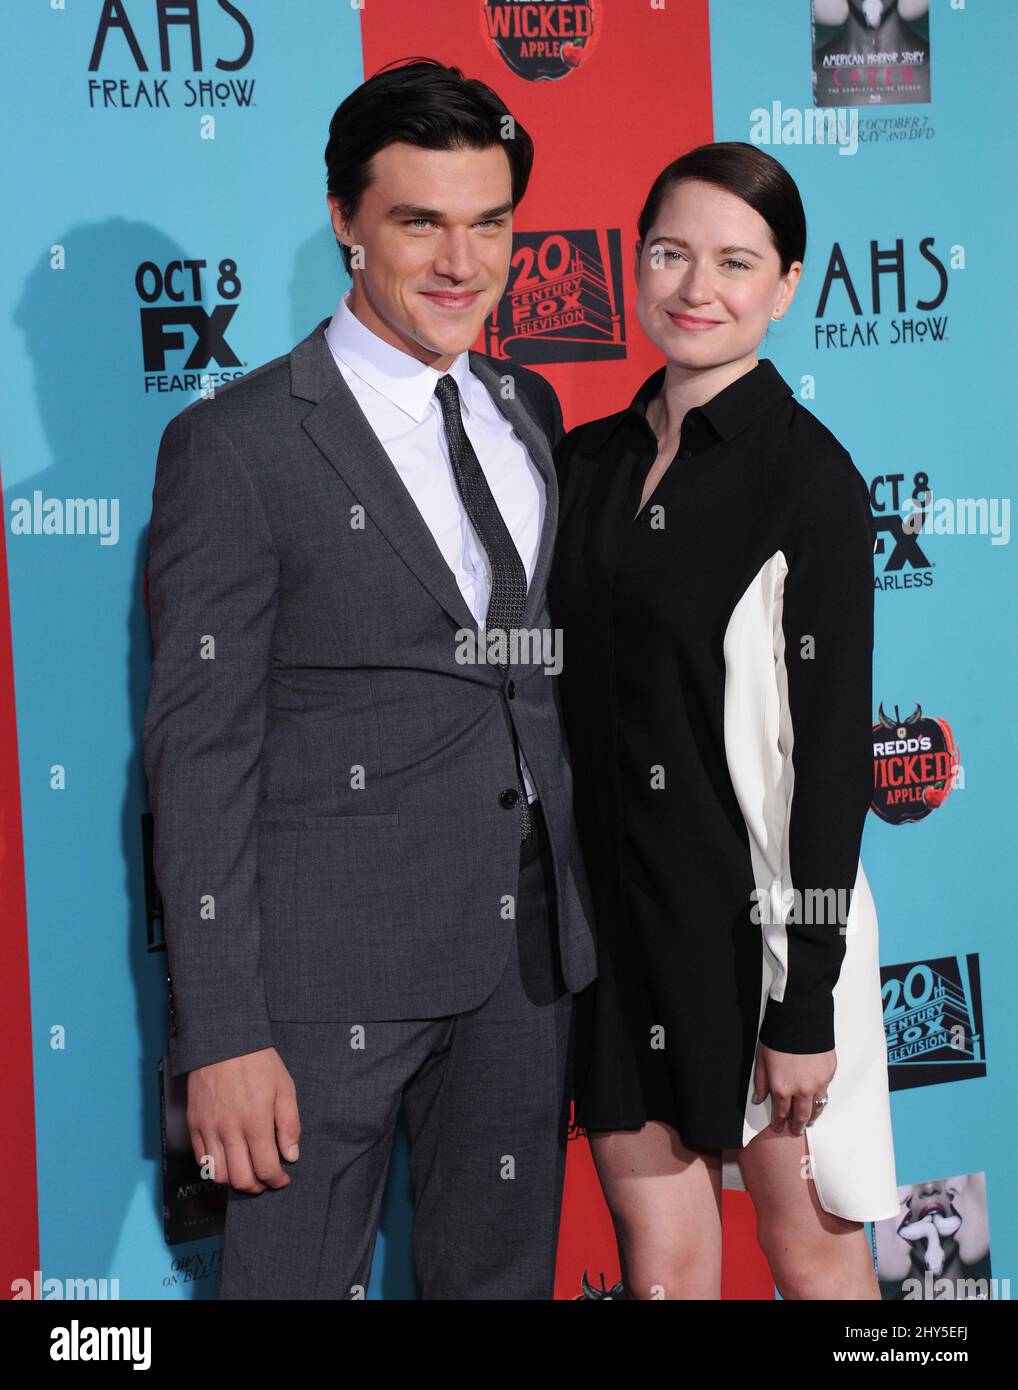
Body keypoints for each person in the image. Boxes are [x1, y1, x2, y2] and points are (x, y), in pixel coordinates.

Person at [142, 57, 596, 1301]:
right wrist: (222, 1031)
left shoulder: (528, 406)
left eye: (490, 223)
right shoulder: (236, 447)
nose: (463, 263)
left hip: (524, 965)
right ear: (345, 221)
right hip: (314, 984)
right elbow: (197, 753)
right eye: (419, 222)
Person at [548, 141, 899, 1300]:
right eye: (671, 253)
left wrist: (800, 1002)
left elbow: (833, 757)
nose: (697, 287)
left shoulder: (808, 481)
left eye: (735, 262)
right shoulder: (583, 463)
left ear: (788, 284)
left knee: (810, 1247)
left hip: (762, 939)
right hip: (614, 934)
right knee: (663, 1266)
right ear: (636, 261)